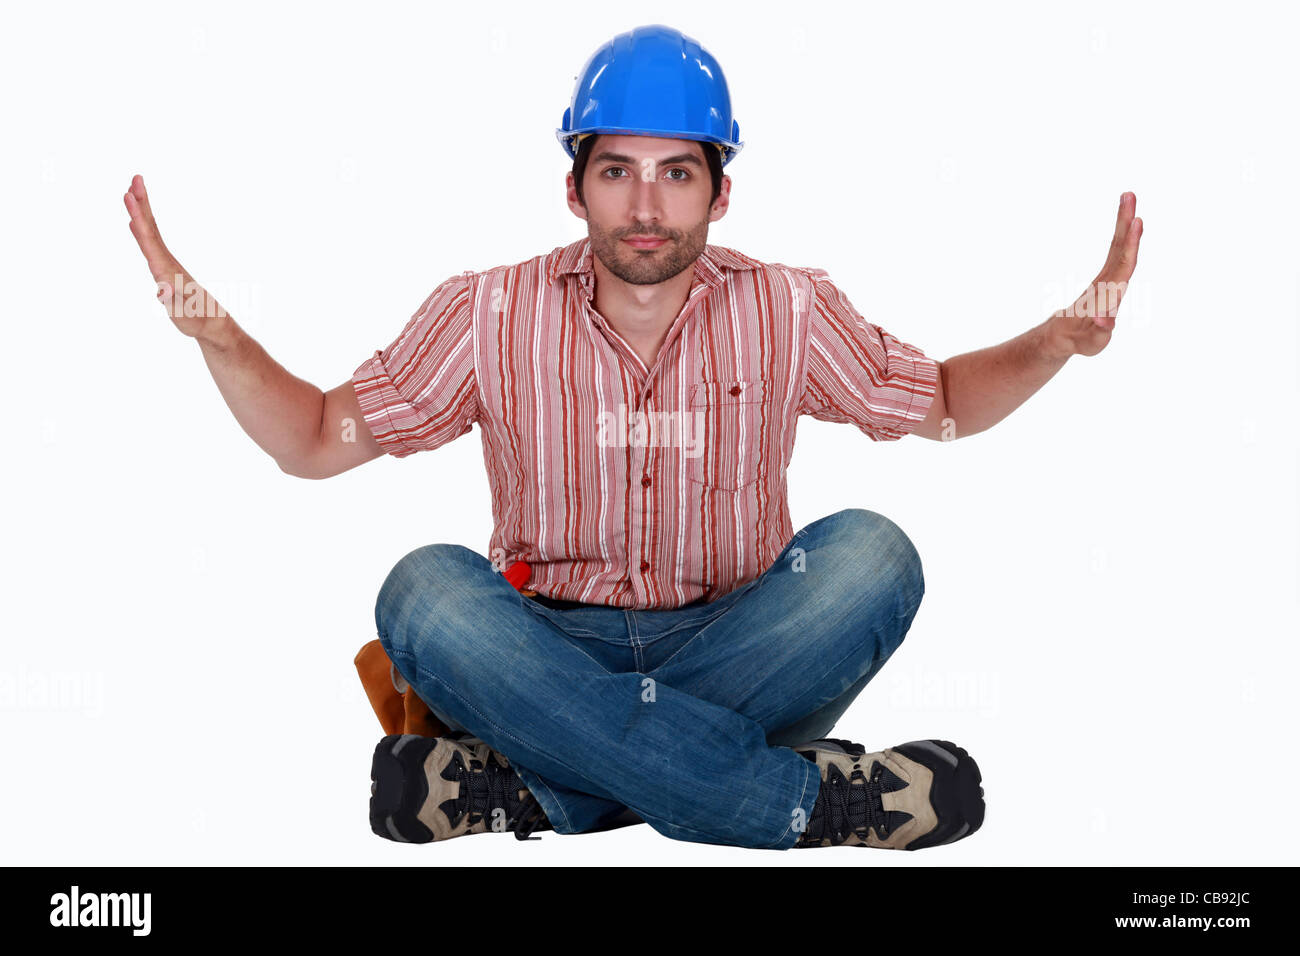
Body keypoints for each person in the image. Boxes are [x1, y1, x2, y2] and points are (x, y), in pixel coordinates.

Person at [123, 24, 1142, 851]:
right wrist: (225, 340)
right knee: (422, 588)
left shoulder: (789, 308)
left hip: (739, 637)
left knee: (875, 553)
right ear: (575, 187)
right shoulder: (488, 311)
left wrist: (1054, 340)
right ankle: (813, 802)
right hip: (545, 639)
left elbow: (946, 403)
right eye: (616, 172)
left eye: (675, 174)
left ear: (720, 188)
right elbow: (310, 437)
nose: (645, 206)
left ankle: (522, 784)